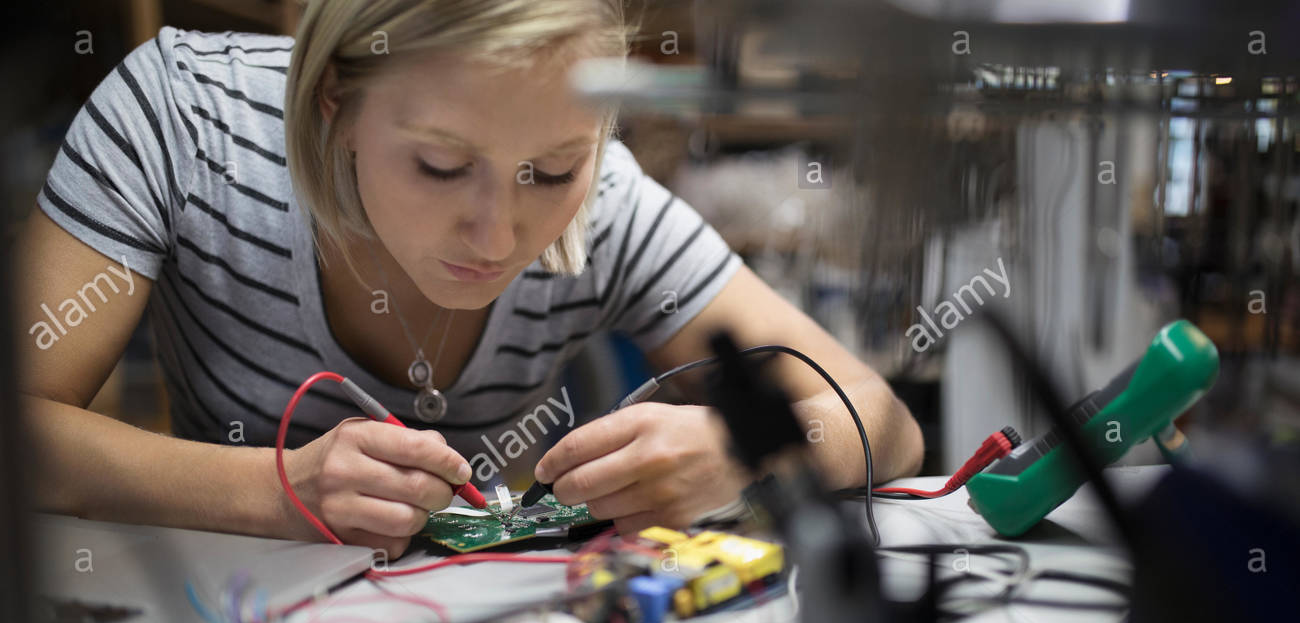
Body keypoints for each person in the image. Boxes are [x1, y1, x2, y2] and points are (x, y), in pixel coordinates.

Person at [17, 0, 922, 559]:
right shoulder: (182, 121)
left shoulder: (605, 200)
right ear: (334, 101)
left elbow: (883, 418)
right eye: (442, 167)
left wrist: (744, 446)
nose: (497, 235)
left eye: (552, 170)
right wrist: (282, 489)